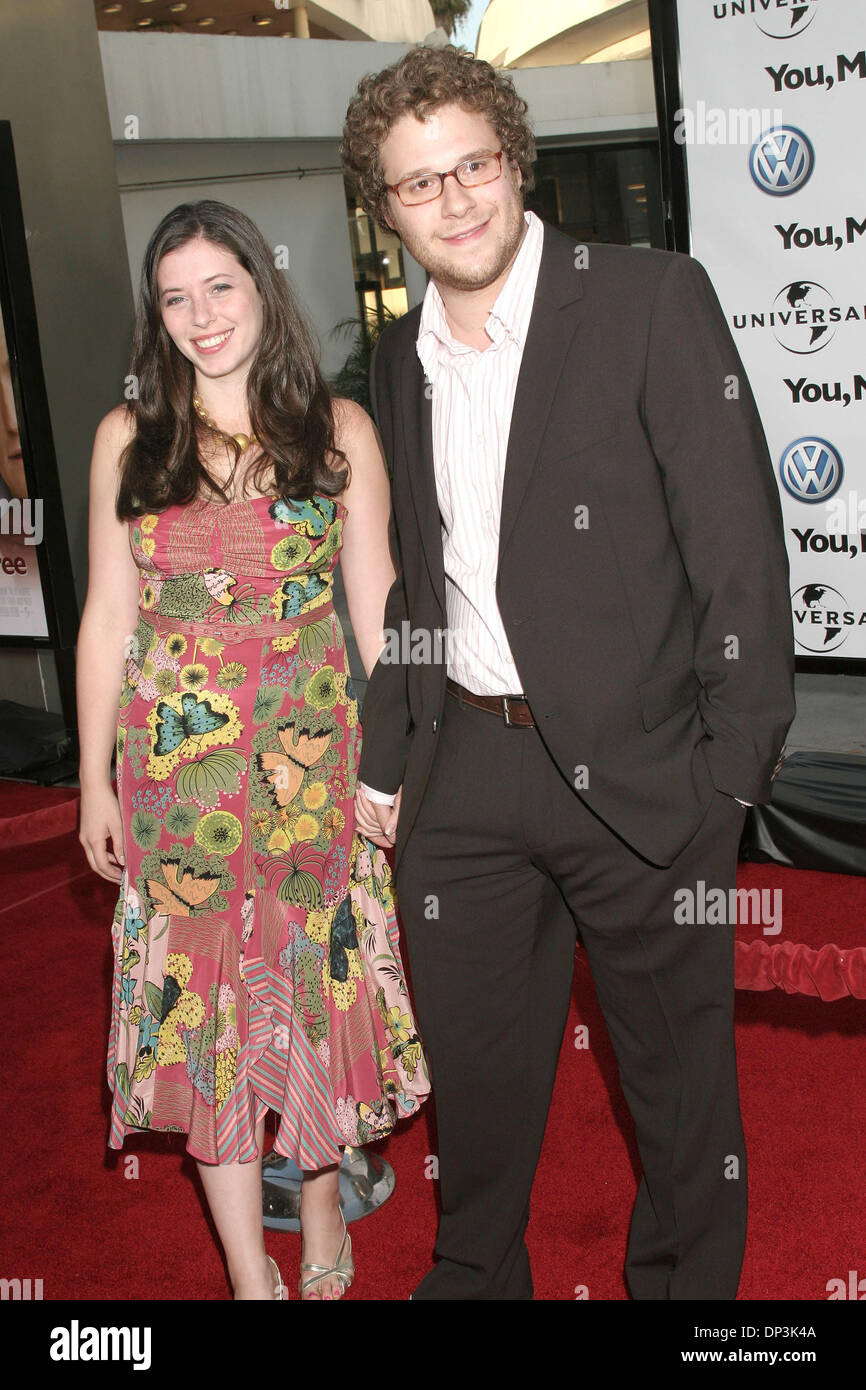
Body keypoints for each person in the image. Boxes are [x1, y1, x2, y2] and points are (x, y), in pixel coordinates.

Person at [342, 45, 795, 1300]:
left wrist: (727, 780)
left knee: (675, 1083)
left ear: (513, 158)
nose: (455, 200)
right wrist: (390, 754)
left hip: (651, 777)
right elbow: (416, 586)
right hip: (464, 782)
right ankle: (475, 1275)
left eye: (472, 165)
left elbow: (739, 551)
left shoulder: (648, 298)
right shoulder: (397, 357)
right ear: (385, 209)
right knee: (477, 1081)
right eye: (418, 183)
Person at [77, 200, 429, 1300]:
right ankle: (248, 1274)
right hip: (176, 771)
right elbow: (108, 618)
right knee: (202, 1010)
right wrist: (93, 777)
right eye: (174, 298)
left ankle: (321, 1210)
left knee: (309, 991)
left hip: (312, 758)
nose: (199, 316)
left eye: (218, 287)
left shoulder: (336, 430)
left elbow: (376, 606)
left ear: (260, 287)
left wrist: (399, 760)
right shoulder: (128, 437)